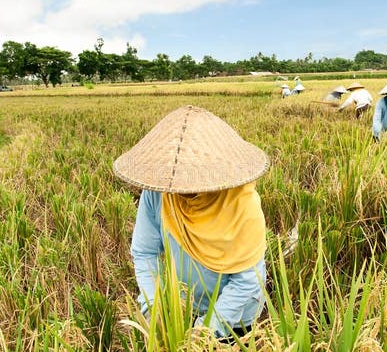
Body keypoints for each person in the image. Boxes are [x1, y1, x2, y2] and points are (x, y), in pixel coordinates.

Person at [113, 105, 270, 340]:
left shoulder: (241, 204)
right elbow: (145, 252)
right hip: (185, 307)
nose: (181, 189)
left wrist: (205, 330)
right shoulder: (159, 192)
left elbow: (247, 279)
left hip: (234, 316)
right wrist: (154, 305)